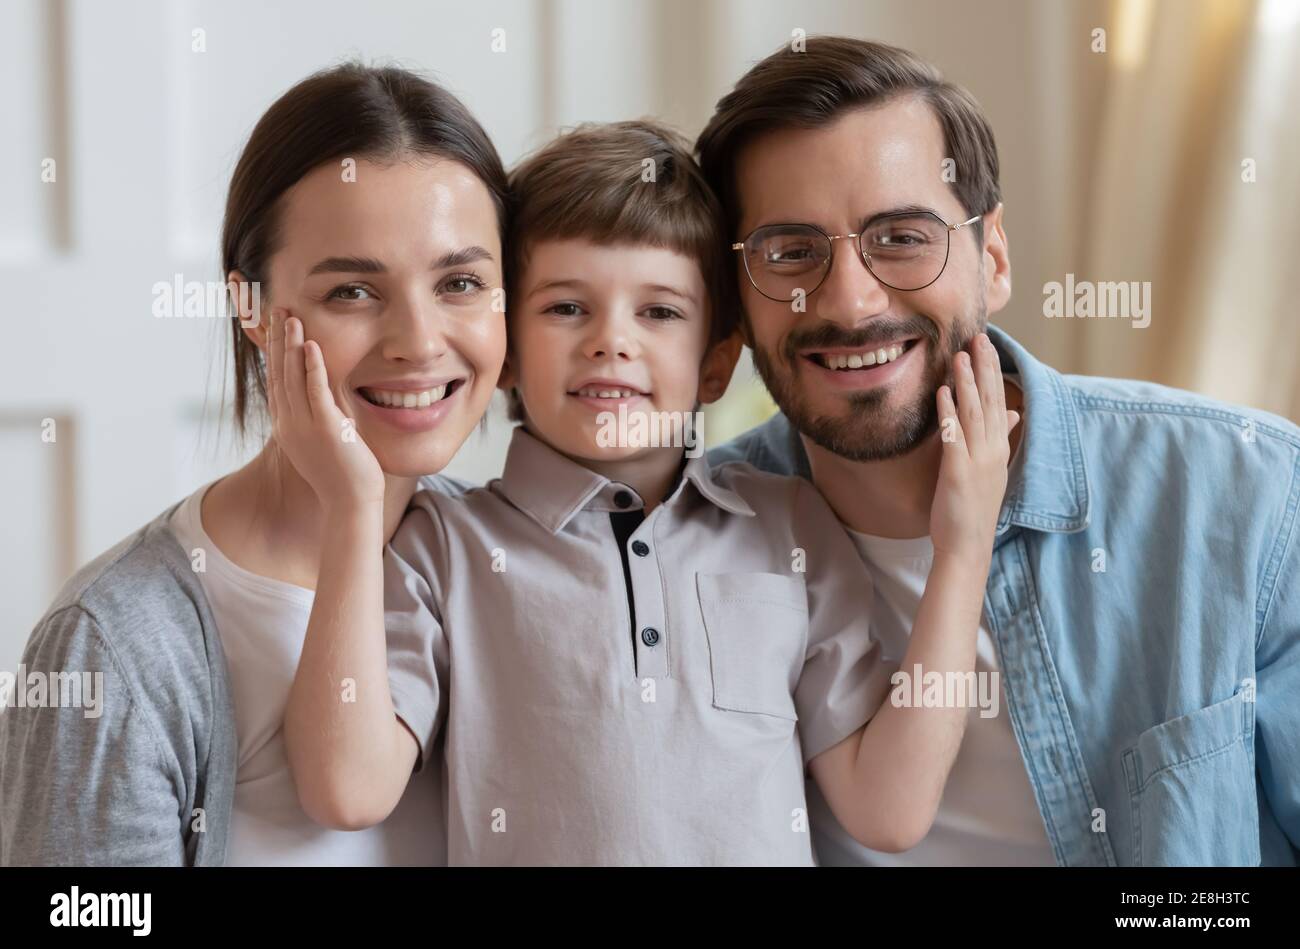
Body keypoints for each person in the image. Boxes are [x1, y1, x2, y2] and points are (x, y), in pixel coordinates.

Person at [274, 120, 1016, 865]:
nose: (612, 341)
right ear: (505, 352)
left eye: (658, 312)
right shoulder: (443, 546)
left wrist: (963, 546)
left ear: (716, 365)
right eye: (567, 308)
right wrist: (350, 508)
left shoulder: (788, 526)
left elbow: (889, 810)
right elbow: (348, 790)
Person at [700, 36, 1300, 866]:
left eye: (902, 237)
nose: (849, 300)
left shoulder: (1248, 492)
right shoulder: (688, 541)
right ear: (736, 296)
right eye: (791, 252)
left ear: (994, 255)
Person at [0, 63, 509, 865]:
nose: (417, 339)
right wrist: (353, 506)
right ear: (253, 311)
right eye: (351, 291)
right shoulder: (115, 644)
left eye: (461, 282)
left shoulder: (504, 563)